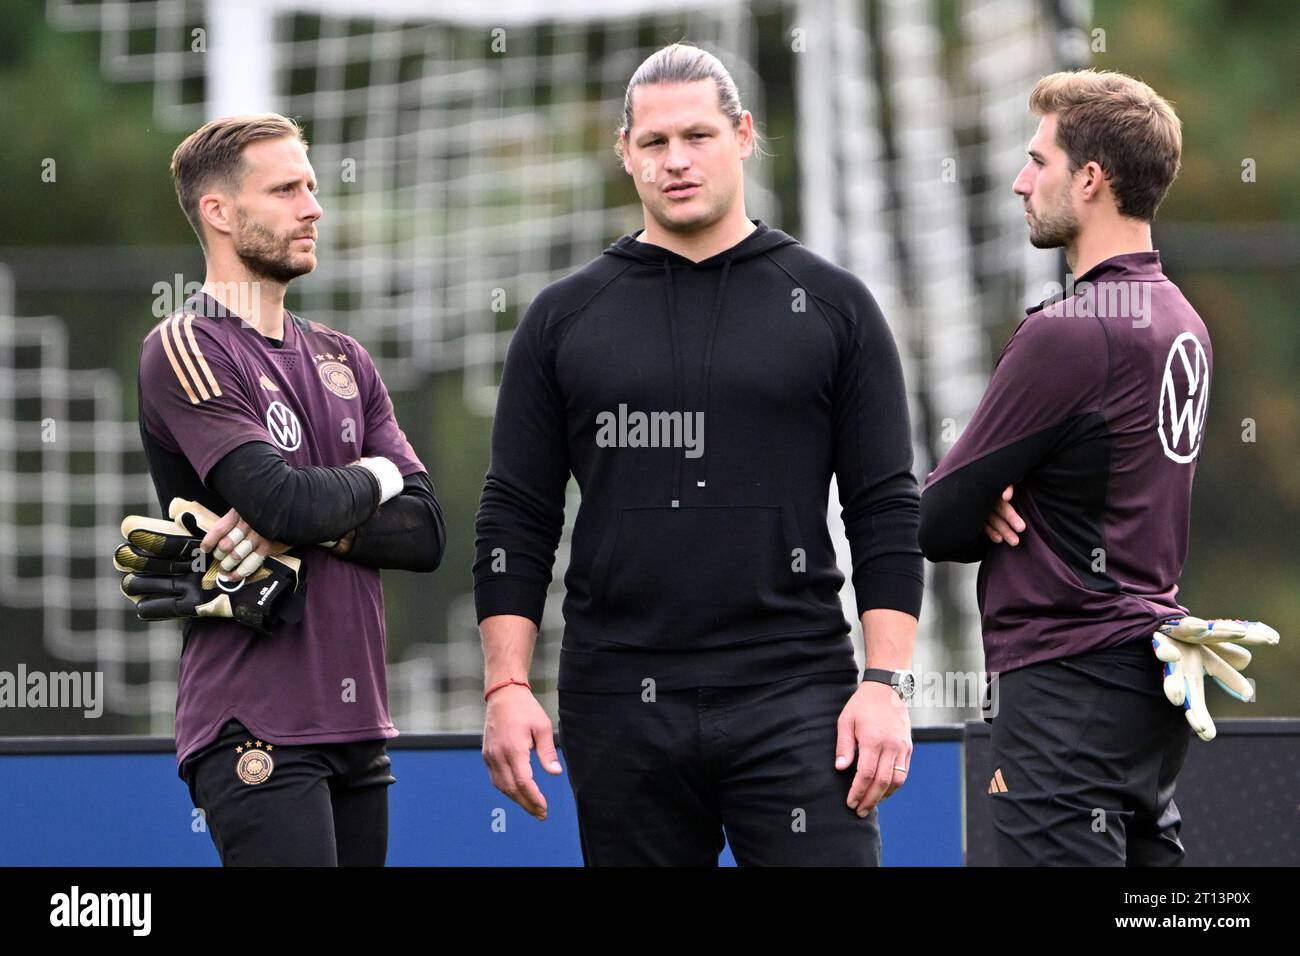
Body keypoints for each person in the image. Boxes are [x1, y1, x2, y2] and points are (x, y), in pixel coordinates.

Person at [473, 43, 922, 866]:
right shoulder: (563, 318)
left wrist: (886, 684)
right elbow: (515, 515)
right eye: (654, 142)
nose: (675, 160)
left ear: (743, 135)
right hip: (619, 697)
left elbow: (887, 507)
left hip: (797, 691)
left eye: (698, 136)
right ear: (625, 152)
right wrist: (506, 684)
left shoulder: (835, 306)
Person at [127, 113, 445, 866]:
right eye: (286, 190)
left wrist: (311, 511)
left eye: (311, 186)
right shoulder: (186, 344)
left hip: (359, 724)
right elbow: (278, 503)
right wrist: (379, 476)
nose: (314, 208)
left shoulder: (345, 357)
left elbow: (426, 531)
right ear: (219, 211)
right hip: (254, 721)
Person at [919, 69, 1208, 865]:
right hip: (1148, 680)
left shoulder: (1071, 332)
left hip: (1066, 685)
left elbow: (938, 521)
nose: (1021, 182)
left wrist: (982, 493)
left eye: (1038, 161)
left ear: (1089, 179)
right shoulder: (1182, 319)